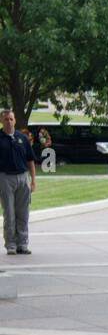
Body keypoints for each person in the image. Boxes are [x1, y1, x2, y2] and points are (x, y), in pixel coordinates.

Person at [0, 108, 37, 255]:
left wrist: (33, 180)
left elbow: (30, 160)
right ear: (1, 121)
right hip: (5, 178)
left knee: (23, 213)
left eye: (11, 119)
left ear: (14, 120)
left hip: (23, 178)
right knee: (9, 212)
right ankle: (11, 245)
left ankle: (22, 244)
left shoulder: (22, 138)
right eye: (5, 119)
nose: (8, 122)